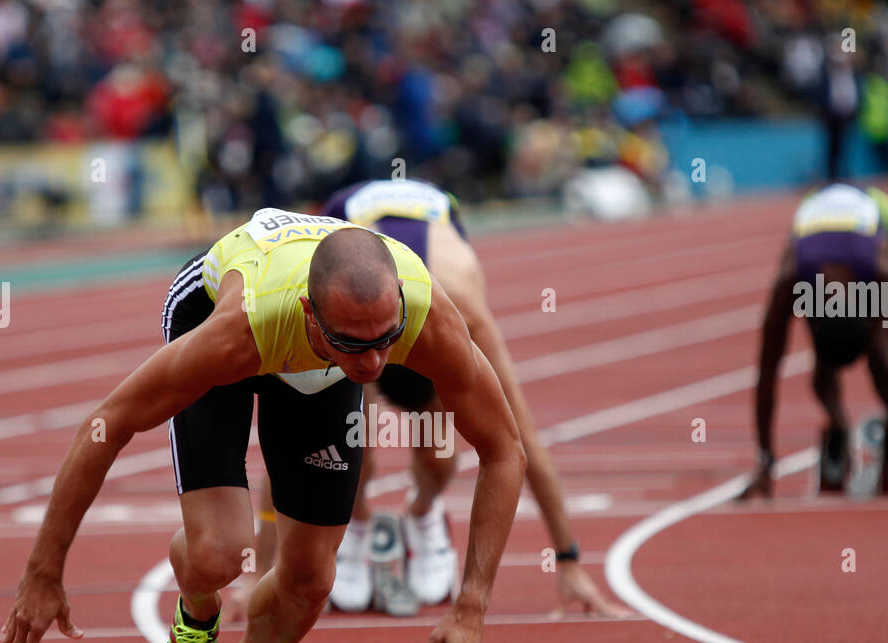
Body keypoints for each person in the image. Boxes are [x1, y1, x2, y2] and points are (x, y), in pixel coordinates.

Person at [0, 209, 526, 643]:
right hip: (227, 311)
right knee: (223, 554)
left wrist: (472, 605)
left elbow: (504, 450)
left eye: (384, 342)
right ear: (311, 316)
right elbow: (107, 424)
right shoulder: (239, 331)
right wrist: (44, 571)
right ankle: (196, 618)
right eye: (356, 345)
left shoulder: (419, 318)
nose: (375, 364)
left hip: (318, 368)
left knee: (311, 578)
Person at [233, 178, 630, 620]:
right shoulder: (341, 311)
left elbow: (519, 441)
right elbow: (287, 438)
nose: (374, 357)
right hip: (352, 262)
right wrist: (257, 571)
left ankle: (424, 512)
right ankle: (357, 522)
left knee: (440, 446)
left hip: (431, 288)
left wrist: (569, 561)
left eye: (384, 343)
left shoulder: (460, 312)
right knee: (343, 445)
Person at [739, 183, 888, 500]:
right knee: (825, 367)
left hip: (880, 211)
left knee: (883, 352)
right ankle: (837, 422)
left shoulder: (885, 278)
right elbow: (767, 376)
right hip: (814, 211)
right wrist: (763, 463)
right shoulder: (790, 281)